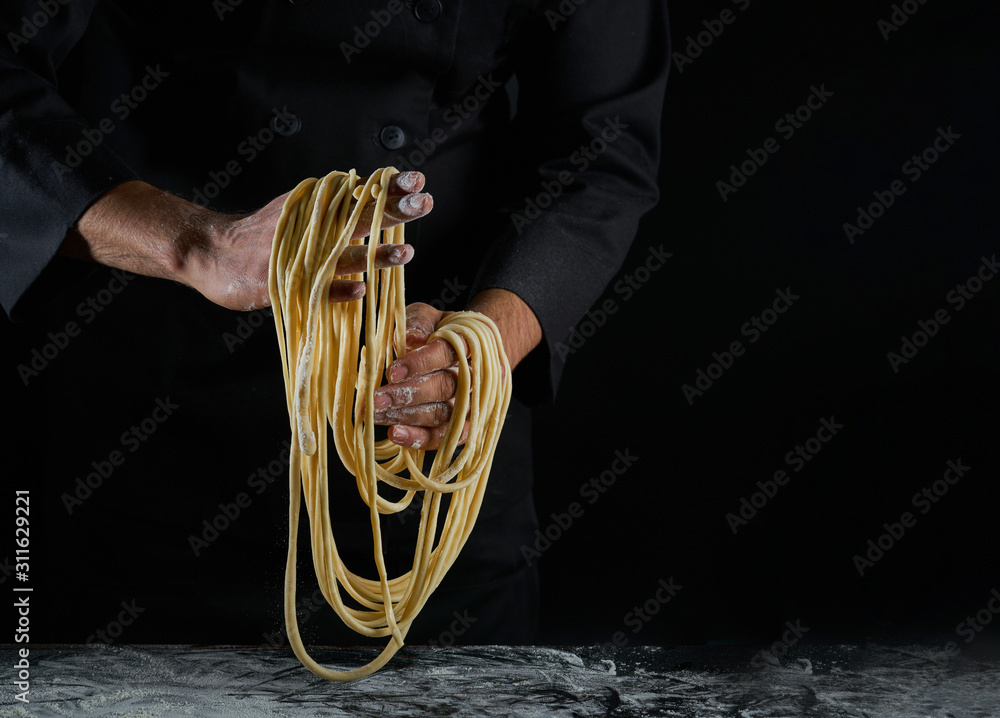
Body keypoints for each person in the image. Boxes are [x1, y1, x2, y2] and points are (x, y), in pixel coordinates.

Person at [1, 1, 669, 646]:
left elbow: (601, 155)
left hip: (429, 446)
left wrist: (486, 343)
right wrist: (194, 243)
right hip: (142, 435)